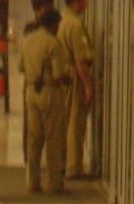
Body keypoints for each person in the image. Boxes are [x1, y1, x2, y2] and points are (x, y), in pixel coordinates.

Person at [18, 10, 69, 194]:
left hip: (31, 91)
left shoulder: (26, 40)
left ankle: (32, 181)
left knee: (34, 138)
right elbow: (57, 75)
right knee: (53, 138)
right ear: (53, 24)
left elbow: (20, 67)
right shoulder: (53, 43)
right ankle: (55, 183)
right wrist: (67, 77)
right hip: (50, 92)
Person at [59, 0, 95, 179]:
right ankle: (74, 167)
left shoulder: (62, 19)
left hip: (64, 75)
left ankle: (64, 162)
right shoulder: (75, 25)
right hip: (76, 78)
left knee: (66, 121)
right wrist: (88, 84)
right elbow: (81, 60)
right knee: (76, 122)